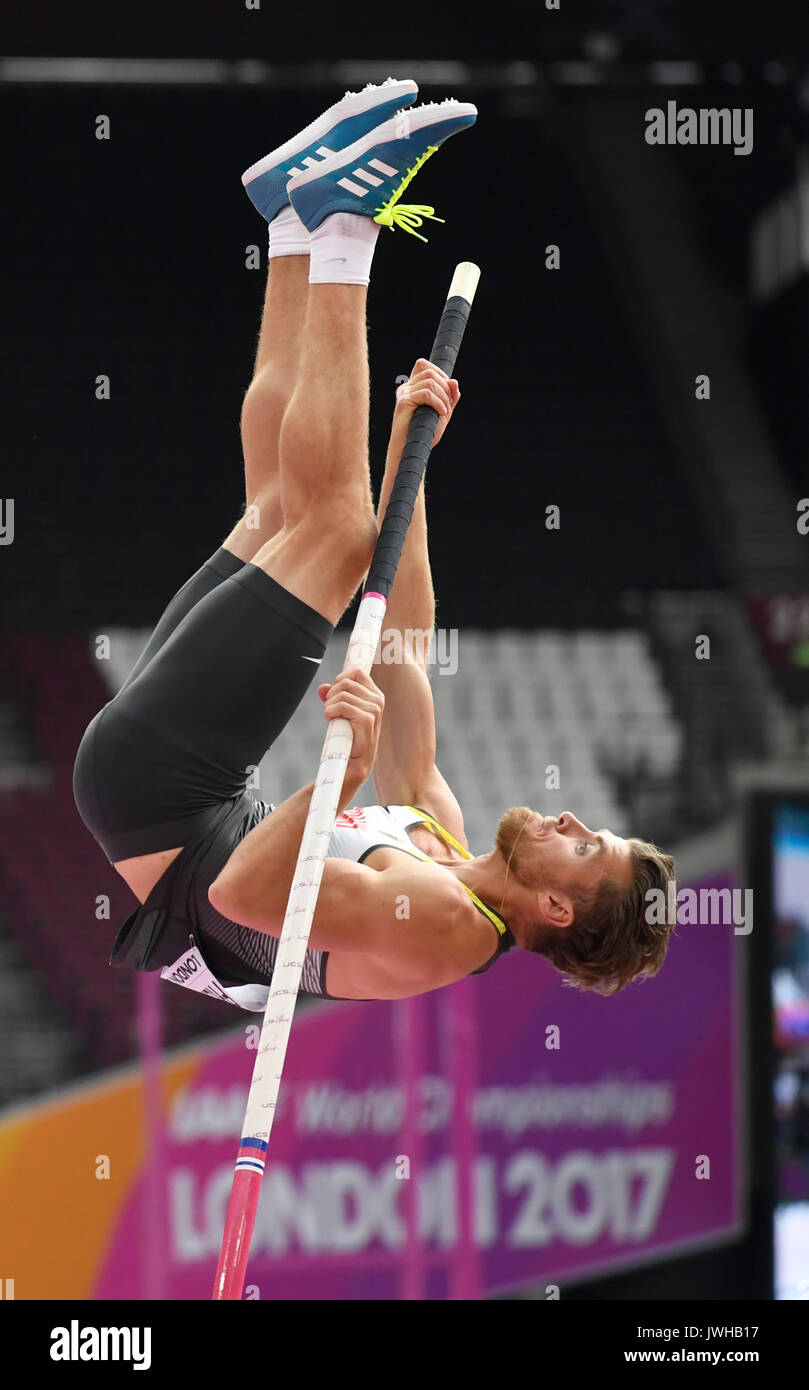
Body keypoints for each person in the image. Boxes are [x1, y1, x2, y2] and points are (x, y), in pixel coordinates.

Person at [73, 80, 675, 1014]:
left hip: (171, 809)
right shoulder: (442, 837)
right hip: (169, 795)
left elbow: (241, 898)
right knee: (285, 511)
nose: (570, 818)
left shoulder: (442, 928)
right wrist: (410, 458)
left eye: (588, 845)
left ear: (555, 904)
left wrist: (341, 773)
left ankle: (344, 224)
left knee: (333, 532)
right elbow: (401, 643)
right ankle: (290, 224)